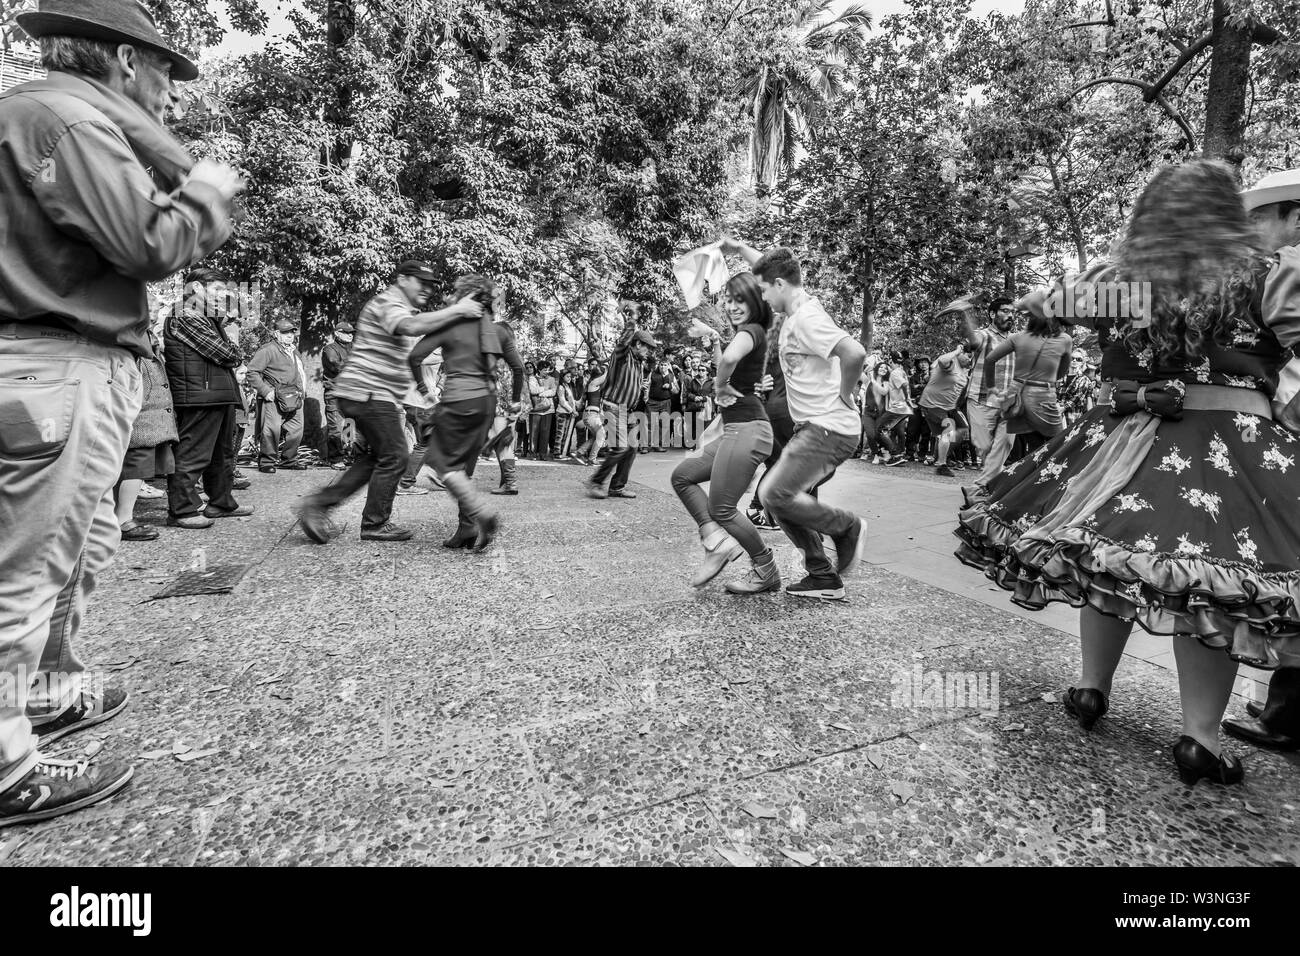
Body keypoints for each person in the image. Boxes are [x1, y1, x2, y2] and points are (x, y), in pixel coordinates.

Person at [956, 159, 1300, 786]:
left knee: (1107, 563)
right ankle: (1199, 738)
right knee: (1209, 591)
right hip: (1226, 450)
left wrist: (1063, 297)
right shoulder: (1270, 274)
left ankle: (1091, 688)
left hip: (1115, 442)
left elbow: (1041, 305)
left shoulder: (1124, 283)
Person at [0, 0, 240, 825]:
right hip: (54, 361)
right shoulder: (65, 118)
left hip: (65, 362)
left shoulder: (48, 114)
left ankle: (48, 690)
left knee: (76, 550)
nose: (173, 93)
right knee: (25, 572)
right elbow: (148, 244)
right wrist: (206, 189)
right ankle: (5, 765)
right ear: (124, 60)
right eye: (169, 71)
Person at [296, 260, 484, 543]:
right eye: (420, 283)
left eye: (430, 285)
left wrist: (423, 394)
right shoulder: (388, 303)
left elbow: (412, 352)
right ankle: (370, 522)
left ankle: (322, 507)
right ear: (403, 279)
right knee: (395, 455)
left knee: (382, 456)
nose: (426, 289)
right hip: (368, 392)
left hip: (369, 393)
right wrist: (457, 310)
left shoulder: (403, 307)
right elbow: (408, 327)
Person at [721, 239, 868, 600]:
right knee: (778, 498)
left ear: (780, 287)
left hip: (828, 427)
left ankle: (846, 527)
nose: (762, 299)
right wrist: (739, 248)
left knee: (773, 492)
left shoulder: (806, 319)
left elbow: (855, 352)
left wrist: (846, 394)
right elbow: (770, 270)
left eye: (764, 291)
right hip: (815, 428)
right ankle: (822, 576)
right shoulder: (796, 302)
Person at [671, 274, 779, 593]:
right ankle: (716, 542)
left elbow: (730, 360)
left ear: (755, 302)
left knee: (722, 508)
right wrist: (718, 345)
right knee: (683, 476)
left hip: (749, 431)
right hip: (737, 430)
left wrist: (719, 386)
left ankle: (766, 569)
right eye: (729, 300)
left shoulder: (752, 330)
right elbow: (730, 359)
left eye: (739, 300)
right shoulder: (749, 334)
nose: (732, 306)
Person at [406, 275, 524, 551]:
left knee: (439, 460)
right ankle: (466, 528)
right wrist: (516, 402)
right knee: (464, 470)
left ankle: (481, 514)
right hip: (487, 403)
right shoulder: (500, 331)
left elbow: (414, 357)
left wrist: (425, 391)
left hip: (459, 400)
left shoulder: (450, 325)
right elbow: (519, 369)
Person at [164, 267, 252, 527]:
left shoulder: (206, 316)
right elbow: (226, 354)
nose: (221, 296)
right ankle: (182, 510)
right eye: (216, 290)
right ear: (197, 288)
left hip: (216, 393)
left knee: (221, 455)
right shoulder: (185, 314)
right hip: (199, 394)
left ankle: (221, 503)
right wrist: (235, 350)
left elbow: (228, 352)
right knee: (193, 454)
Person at [985, 309, 1073, 459]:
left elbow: (990, 360)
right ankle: (1044, 479)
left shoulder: (1018, 337)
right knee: (1058, 444)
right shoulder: (1064, 339)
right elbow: (1063, 372)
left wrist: (991, 386)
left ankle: (1028, 478)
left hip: (1016, 396)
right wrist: (1048, 380)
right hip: (1043, 394)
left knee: (1034, 447)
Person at [955, 296, 1017, 502]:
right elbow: (974, 341)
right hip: (980, 400)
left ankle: (980, 489)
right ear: (992, 314)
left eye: (1013, 312)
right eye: (1006, 311)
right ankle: (986, 490)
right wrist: (965, 314)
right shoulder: (985, 335)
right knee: (984, 448)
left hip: (1008, 404)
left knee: (1005, 443)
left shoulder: (1016, 340)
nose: (1010, 315)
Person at [116, 329, 177, 541]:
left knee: (137, 466)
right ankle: (123, 520)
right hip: (140, 412)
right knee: (135, 465)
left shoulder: (144, 333)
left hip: (149, 413)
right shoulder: (132, 333)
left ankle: (120, 518)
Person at [585, 326, 658, 500]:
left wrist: (642, 389)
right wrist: (632, 320)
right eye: (647, 347)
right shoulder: (622, 357)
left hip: (629, 411)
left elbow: (633, 385)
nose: (649, 352)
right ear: (638, 344)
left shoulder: (640, 364)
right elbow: (623, 342)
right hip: (613, 407)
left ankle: (617, 487)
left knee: (632, 448)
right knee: (620, 447)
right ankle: (596, 482)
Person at [246, 318, 307, 472]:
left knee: (296, 430)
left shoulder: (294, 350)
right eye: (285, 332)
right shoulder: (268, 349)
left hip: (294, 397)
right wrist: (266, 391)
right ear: (276, 334)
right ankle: (267, 462)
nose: (289, 335)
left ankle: (289, 460)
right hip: (274, 397)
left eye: (292, 332)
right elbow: (252, 372)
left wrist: (301, 392)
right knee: (271, 430)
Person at [919, 345, 972, 476]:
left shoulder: (964, 372)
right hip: (932, 404)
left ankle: (941, 456)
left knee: (963, 428)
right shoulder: (951, 364)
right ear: (961, 354)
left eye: (971, 357)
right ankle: (941, 464)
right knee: (948, 429)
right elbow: (942, 361)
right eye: (967, 355)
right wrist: (957, 350)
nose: (969, 359)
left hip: (947, 406)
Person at [321, 321, 355, 469]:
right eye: (346, 332)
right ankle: (335, 459)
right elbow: (337, 366)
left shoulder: (355, 349)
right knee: (335, 427)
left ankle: (348, 455)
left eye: (351, 332)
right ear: (337, 333)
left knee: (349, 426)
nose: (350, 335)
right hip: (334, 393)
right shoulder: (329, 349)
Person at [528, 360, 557, 460]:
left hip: (549, 409)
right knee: (534, 432)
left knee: (545, 432)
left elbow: (553, 392)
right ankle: (533, 453)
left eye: (548, 370)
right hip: (536, 409)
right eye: (545, 370)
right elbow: (532, 390)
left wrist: (540, 392)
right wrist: (544, 388)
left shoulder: (552, 379)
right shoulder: (532, 378)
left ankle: (543, 453)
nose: (547, 372)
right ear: (539, 370)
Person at [554, 368, 579, 459]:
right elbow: (562, 401)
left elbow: (571, 400)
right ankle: (557, 453)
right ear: (562, 377)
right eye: (567, 376)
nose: (569, 378)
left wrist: (576, 405)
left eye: (570, 376)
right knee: (560, 433)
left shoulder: (568, 386)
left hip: (568, 413)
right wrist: (572, 410)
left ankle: (563, 452)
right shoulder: (561, 387)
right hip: (561, 412)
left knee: (565, 434)